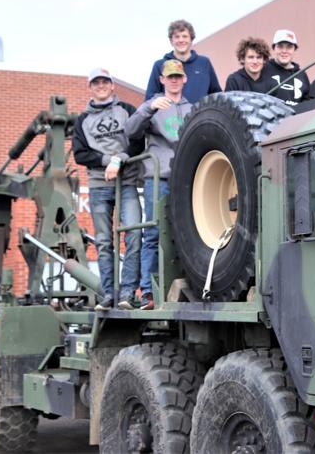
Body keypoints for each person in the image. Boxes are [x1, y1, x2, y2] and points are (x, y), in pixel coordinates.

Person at [73, 68, 144, 311]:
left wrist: (120, 159)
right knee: (104, 242)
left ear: (112, 86)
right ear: (90, 87)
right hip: (98, 186)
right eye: (96, 82)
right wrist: (108, 161)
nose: (101, 86)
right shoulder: (82, 121)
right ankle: (109, 294)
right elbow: (80, 153)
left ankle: (127, 293)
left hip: (127, 183)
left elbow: (138, 141)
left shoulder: (127, 110)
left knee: (134, 234)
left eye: (105, 82)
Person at [125, 60, 192, 310]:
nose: (174, 81)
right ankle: (148, 293)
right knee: (153, 233)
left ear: (184, 79)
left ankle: (185, 289)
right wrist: (149, 109)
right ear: (162, 80)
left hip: (185, 179)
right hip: (158, 179)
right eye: (169, 77)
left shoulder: (192, 108)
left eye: (178, 76)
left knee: (185, 234)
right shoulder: (151, 105)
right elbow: (130, 131)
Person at [145, 19, 221, 104]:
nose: (181, 40)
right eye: (177, 37)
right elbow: (150, 99)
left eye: (184, 36)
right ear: (171, 41)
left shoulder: (204, 63)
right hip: (170, 116)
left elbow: (216, 95)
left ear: (191, 39)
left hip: (200, 116)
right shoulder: (160, 65)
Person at [263, 29, 310, 105]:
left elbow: (307, 102)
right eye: (280, 46)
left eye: (289, 47)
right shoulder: (263, 69)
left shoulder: (302, 74)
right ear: (274, 48)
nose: (284, 51)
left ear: (295, 50)